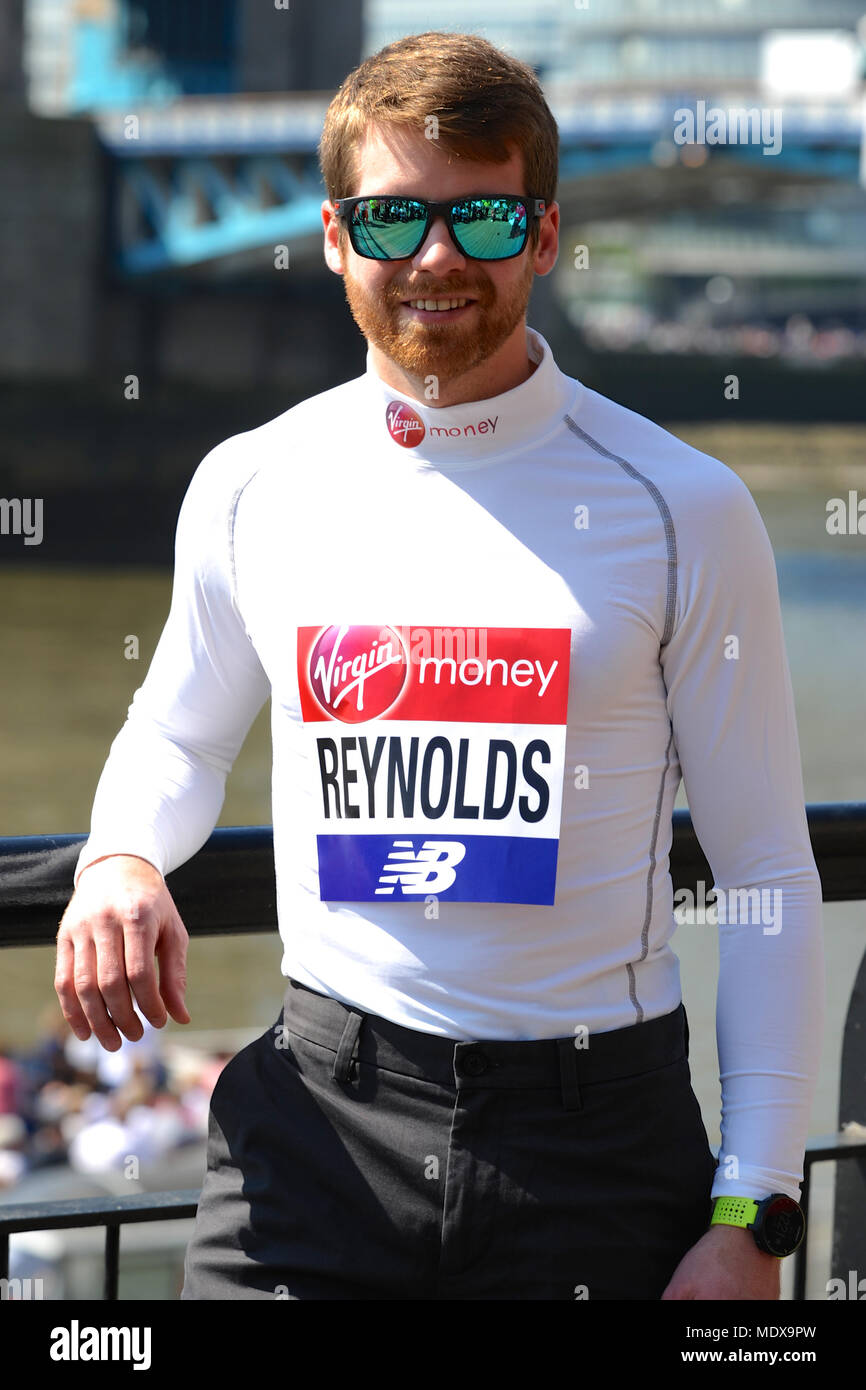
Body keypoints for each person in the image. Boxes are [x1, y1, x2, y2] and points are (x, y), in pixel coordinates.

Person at [55, 31, 823, 1300]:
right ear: (333, 234)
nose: (434, 257)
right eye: (391, 216)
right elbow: (180, 734)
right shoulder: (251, 483)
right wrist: (122, 858)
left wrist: (754, 1210)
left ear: (542, 232)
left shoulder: (687, 506)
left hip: (592, 1143)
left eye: (478, 211)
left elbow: (764, 876)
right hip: (314, 1128)